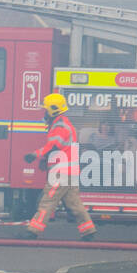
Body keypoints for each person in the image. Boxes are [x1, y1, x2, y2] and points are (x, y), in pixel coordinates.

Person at [22, 93, 96, 240]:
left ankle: (33, 231)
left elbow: (52, 146)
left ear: (53, 110)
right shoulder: (64, 124)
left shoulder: (60, 126)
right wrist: (45, 160)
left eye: (46, 109)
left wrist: (34, 155)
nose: (44, 113)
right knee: (74, 203)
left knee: (48, 201)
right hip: (70, 173)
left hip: (61, 173)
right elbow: (58, 149)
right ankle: (88, 231)